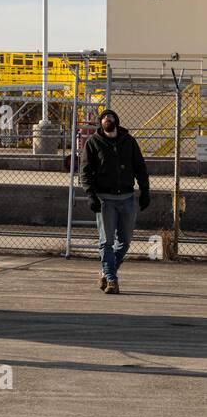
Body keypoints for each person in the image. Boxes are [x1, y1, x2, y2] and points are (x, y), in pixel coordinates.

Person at [81, 108, 150, 295]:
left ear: (116, 121)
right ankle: (112, 280)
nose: (107, 119)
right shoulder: (93, 143)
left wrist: (145, 191)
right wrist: (91, 195)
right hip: (105, 199)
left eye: (110, 117)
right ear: (100, 123)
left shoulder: (129, 142)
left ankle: (106, 271)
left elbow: (140, 168)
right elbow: (85, 172)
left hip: (127, 198)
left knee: (125, 241)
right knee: (106, 242)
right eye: (103, 117)